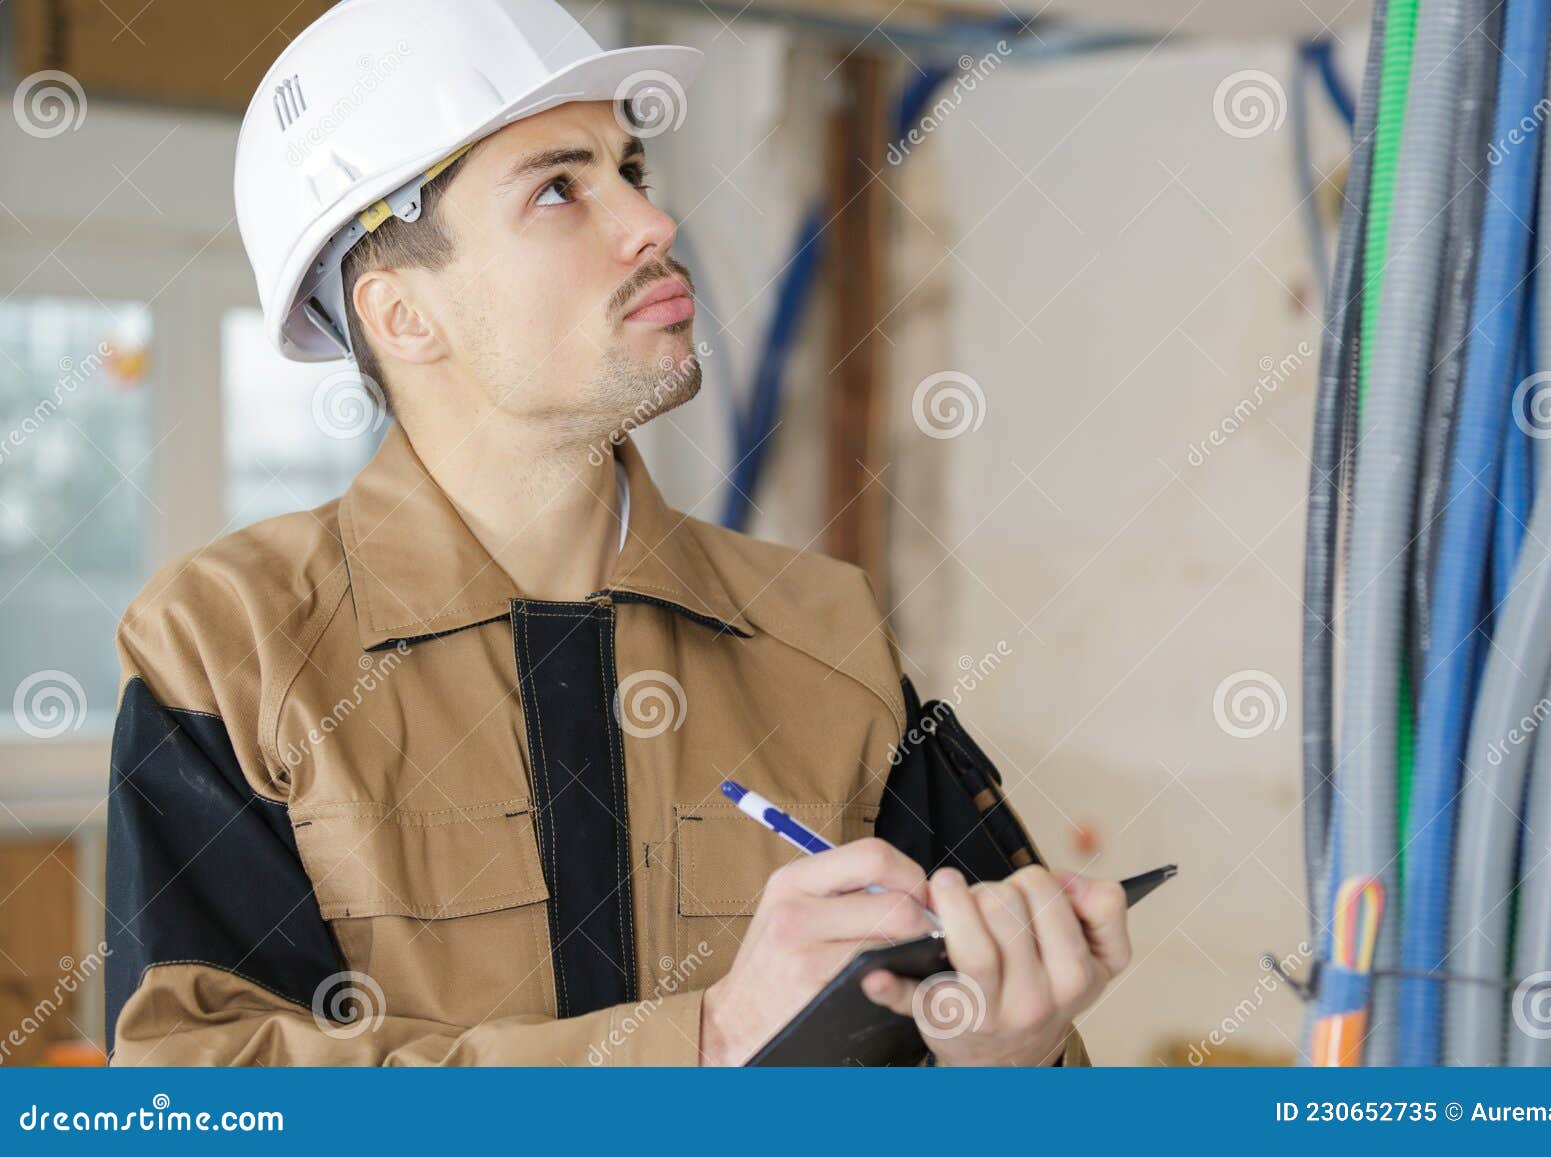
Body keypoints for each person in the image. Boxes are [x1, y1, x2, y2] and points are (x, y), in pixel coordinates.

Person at [104, 0, 1130, 1066]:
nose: (652, 223)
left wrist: (1008, 1057)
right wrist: (708, 1036)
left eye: (630, 170)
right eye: (559, 188)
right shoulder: (232, 646)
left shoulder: (826, 629)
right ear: (404, 313)